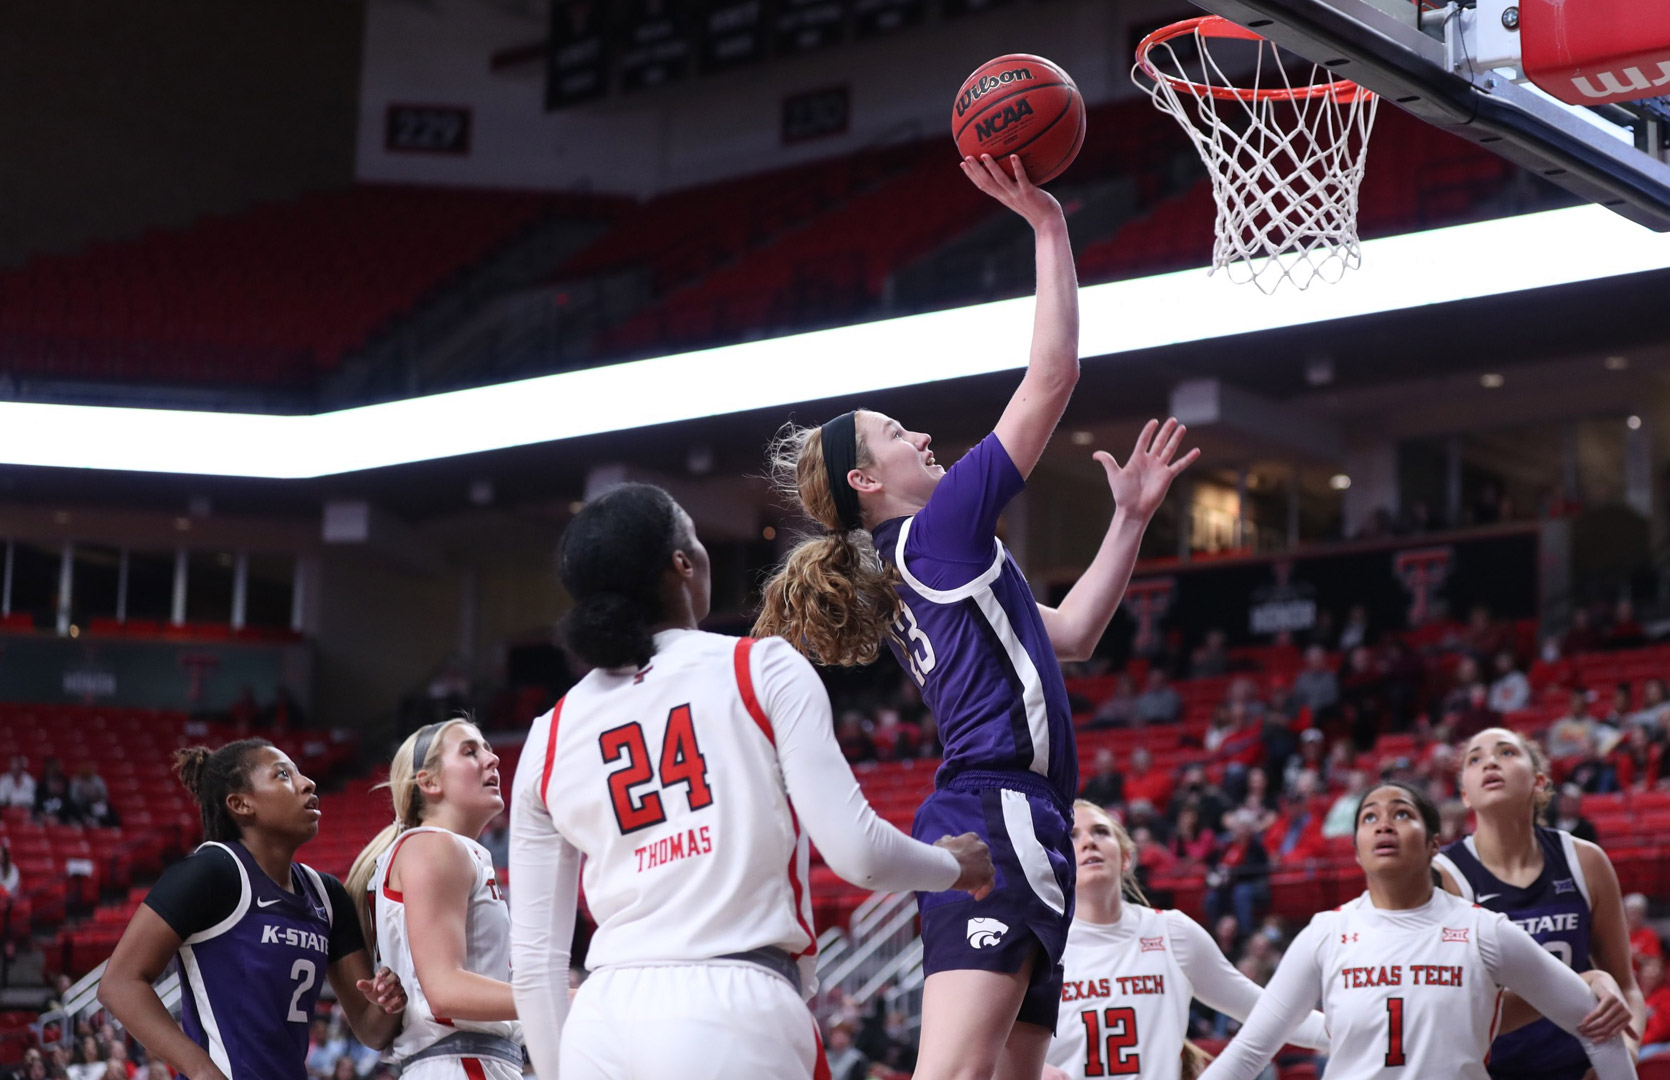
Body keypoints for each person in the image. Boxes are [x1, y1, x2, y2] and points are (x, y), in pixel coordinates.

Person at [751, 152, 1199, 1080]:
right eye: (894, 434)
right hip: (996, 811)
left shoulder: (924, 562)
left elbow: (1069, 636)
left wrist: (1128, 521)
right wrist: (1049, 226)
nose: (921, 434)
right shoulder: (932, 535)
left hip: (1016, 812)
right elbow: (1053, 375)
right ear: (869, 481)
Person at [508, 482, 993, 1080]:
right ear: (682, 564)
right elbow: (859, 854)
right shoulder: (757, 665)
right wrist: (955, 867)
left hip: (601, 1020)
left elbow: (534, 965)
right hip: (732, 1001)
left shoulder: (547, 735)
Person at [1195, 782, 1635, 1080]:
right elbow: (1249, 1052)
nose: (1383, 824)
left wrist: (1593, 980)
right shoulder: (1325, 934)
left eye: (1401, 814)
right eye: (1369, 818)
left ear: (1432, 845)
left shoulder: (1482, 930)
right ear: (1356, 852)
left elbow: (1597, 1025)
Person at [98, 740, 406, 1080]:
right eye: (283, 775)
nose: (307, 783)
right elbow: (119, 983)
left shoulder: (328, 894)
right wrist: (199, 1068)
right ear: (241, 804)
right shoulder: (212, 872)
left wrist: (390, 1001)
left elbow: (371, 1031)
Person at [1039, 801, 1330, 1080]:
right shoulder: (1039, 947)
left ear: (1127, 857)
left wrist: (1354, 1029)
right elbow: (997, 1046)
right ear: (1058, 861)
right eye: (1073, 835)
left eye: (1101, 832)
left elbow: (1269, 1012)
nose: (1089, 841)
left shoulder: (1172, 932)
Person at [1437, 728, 1645, 1080]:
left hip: (1578, 1069)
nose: (1489, 761)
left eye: (1506, 753)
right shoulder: (1444, 877)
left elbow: (1626, 987)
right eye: (1475, 758)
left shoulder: (1585, 860)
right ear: (1465, 796)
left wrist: (1625, 1051)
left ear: (1538, 782)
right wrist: (1580, 983)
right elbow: (1455, 1015)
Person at [345, 719, 522, 1080]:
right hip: (461, 1063)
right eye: (470, 751)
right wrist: (560, 998)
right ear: (429, 782)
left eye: (488, 748)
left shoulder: (438, 849)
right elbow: (444, 990)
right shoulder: (434, 845)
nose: (493, 760)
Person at [1624, 893, 1662, 965]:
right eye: (1631, 912)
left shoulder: (1649, 934)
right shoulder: (1619, 934)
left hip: (1642, 972)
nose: (1634, 917)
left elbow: (1654, 962)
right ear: (1625, 913)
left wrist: (1636, 956)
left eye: (1638, 913)